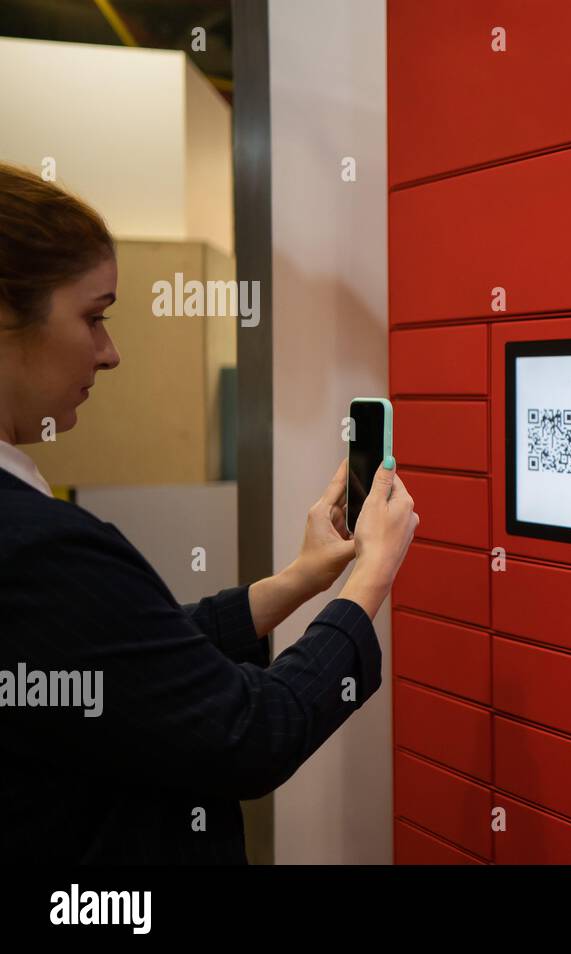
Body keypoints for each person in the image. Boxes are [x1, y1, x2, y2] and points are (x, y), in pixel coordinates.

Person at [0, 161, 418, 863]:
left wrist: (298, 581)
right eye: (93, 317)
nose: (110, 353)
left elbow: (130, 667)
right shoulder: (36, 548)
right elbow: (250, 734)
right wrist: (370, 578)